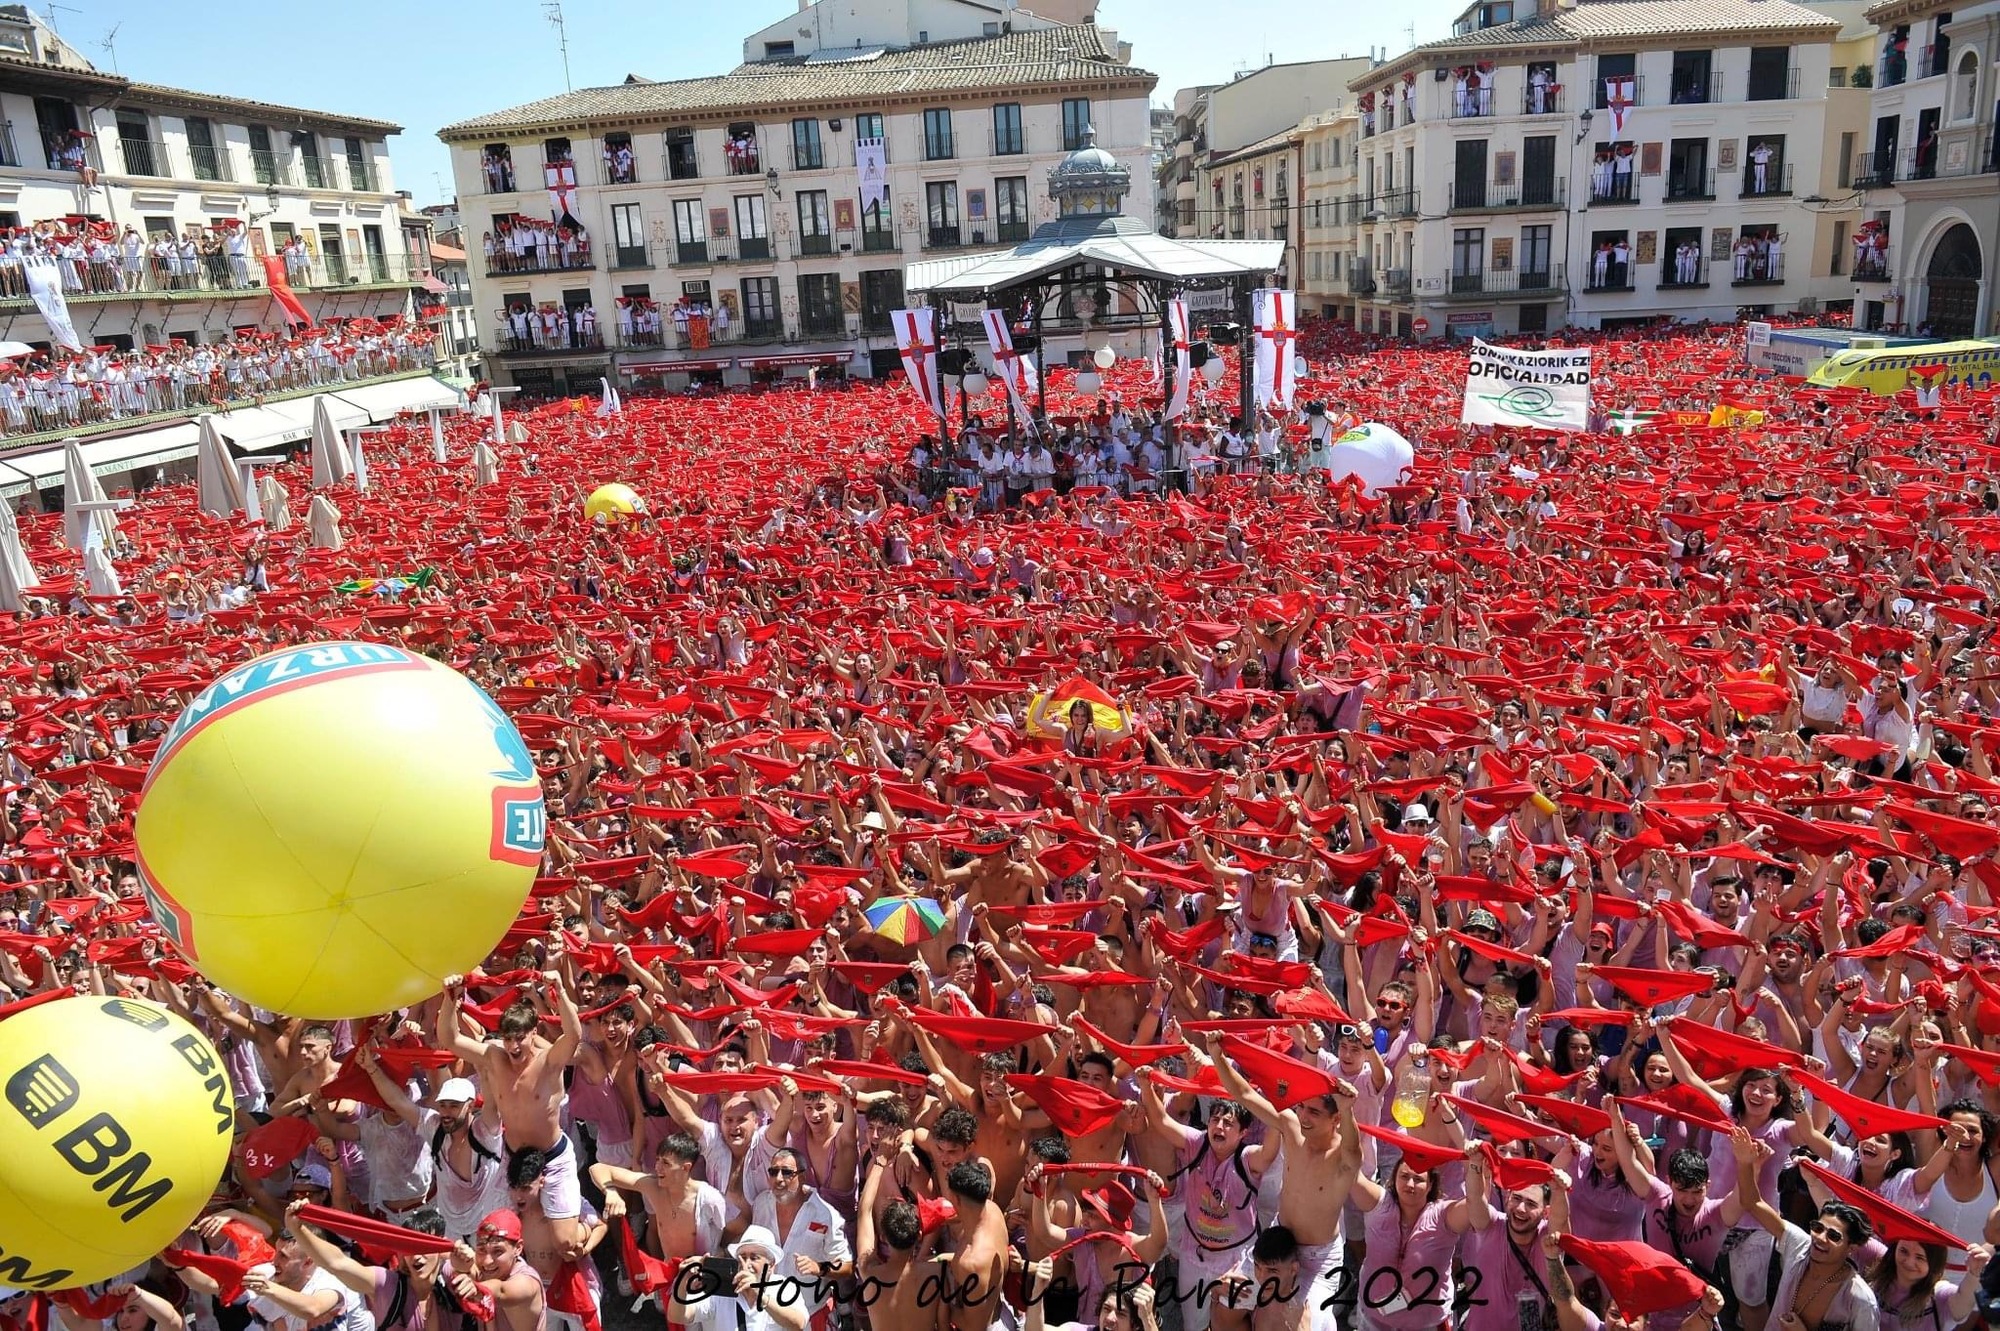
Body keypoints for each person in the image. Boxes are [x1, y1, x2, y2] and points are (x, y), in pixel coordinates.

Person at [437, 976, 587, 1250]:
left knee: (566, 1243)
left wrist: (561, 991)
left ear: (534, 1032)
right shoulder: (495, 1057)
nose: (513, 1047)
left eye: (520, 1038)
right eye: (508, 1039)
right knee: (496, 1233)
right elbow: (450, 1039)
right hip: (513, 1159)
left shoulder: (550, 1061)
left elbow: (574, 1034)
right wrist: (449, 999)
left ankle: (589, 1217)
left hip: (552, 1157)